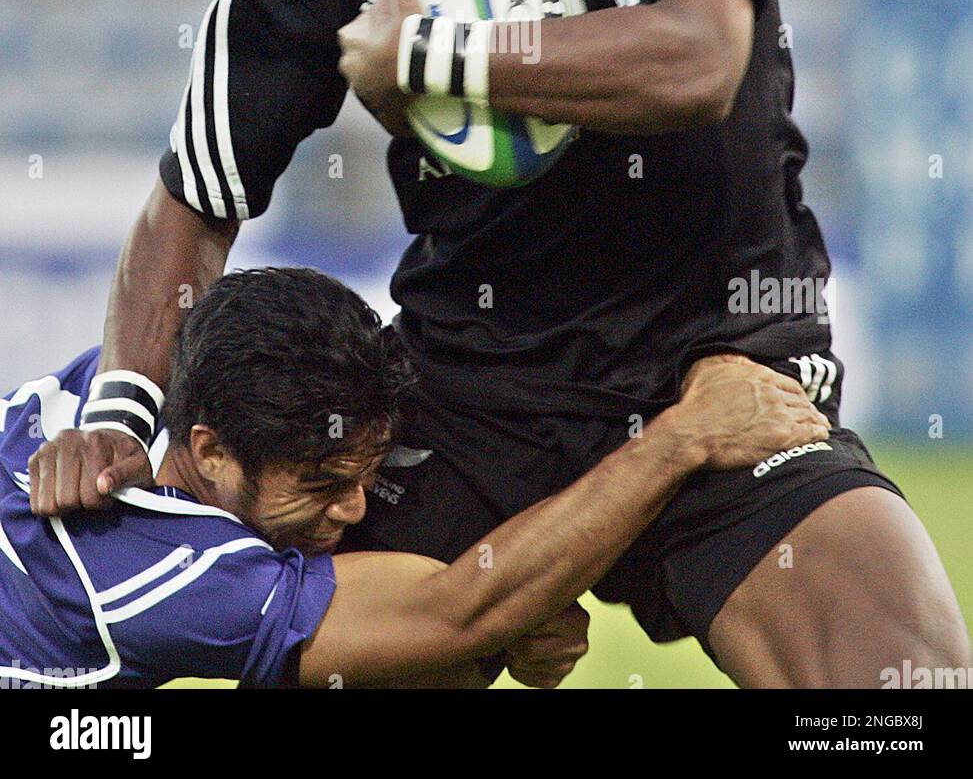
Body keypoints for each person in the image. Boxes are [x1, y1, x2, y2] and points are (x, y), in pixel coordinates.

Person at [35, 0, 970, 688]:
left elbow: (699, 56)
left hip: (716, 360)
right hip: (470, 399)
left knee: (899, 690)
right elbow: (190, 204)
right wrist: (124, 414)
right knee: (342, 666)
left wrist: (429, 56)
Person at [7, 268, 830, 689]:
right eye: (321, 483)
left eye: (364, 475)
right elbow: (458, 609)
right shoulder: (158, 582)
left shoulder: (101, 398)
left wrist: (517, 620)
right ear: (211, 450)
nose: (356, 508)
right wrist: (680, 439)